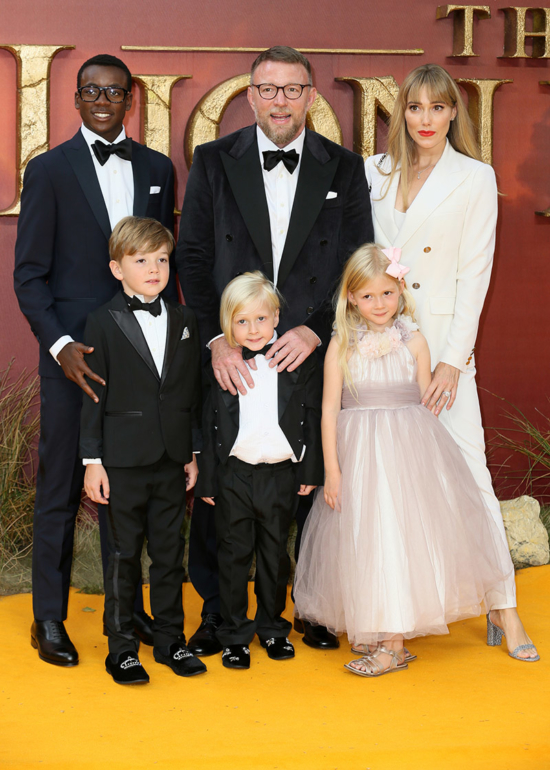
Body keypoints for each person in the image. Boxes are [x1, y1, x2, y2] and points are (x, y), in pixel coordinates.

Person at [177, 45, 373, 654]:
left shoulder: (344, 166)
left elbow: (353, 258)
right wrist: (216, 340)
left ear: (312, 96)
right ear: (250, 95)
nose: (280, 100)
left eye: (293, 89)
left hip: (306, 352)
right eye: (269, 88)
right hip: (233, 352)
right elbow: (194, 257)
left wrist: (316, 330)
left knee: (309, 483)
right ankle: (216, 610)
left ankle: (310, 605)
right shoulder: (213, 161)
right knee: (220, 489)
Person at [364, 63, 539, 662]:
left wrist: (453, 363)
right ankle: (396, 612)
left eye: (439, 108)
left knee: (470, 473)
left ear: (454, 114)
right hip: (381, 343)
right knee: (391, 480)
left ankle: (504, 607)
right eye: (415, 108)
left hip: (442, 347)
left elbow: (475, 275)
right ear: (400, 113)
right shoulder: (375, 173)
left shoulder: (475, 177)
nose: (426, 120)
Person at [13, 54, 176, 667]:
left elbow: (162, 267)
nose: (103, 98)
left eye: (114, 90)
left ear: (130, 98)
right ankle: (48, 618)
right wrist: (60, 347)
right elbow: (29, 276)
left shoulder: (158, 169)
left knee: (127, 488)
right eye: (91, 90)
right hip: (72, 359)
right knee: (59, 486)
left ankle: (123, 613)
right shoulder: (50, 170)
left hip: (141, 358)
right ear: (76, 99)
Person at [294, 244, 517, 677]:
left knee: (399, 539)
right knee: (367, 541)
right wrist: (332, 472)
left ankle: (393, 646)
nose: (379, 304)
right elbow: (328, 411)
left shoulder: (414, 340)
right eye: (368, 295)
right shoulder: (341, 344)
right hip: (358, 455)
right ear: (352, 298)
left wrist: (430, 471)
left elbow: (424, 405)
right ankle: (382, 631)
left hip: (405, 453)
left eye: (387, 294)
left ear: (401, 291)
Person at [80, 216, 205, 684]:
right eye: (140, 260)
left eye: (161, 259)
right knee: (123, 556)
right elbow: (93, 396)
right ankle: (122, 649)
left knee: (171, 555)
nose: (153, 269)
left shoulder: (186, 319)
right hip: (122, 461)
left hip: (172, 459)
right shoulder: (99, 321)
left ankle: (171, 642)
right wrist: (93, 462)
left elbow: (190, 392)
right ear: (117, 269)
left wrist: (192, 451)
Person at [195, 271, 323, 669]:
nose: (253, 329)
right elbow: (208, 423)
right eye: (242, 321)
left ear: (276, 317)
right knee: (233, 557)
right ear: (227, 323)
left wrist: (307, 471)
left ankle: (272, 628)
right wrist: (209, 479)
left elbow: (310, 416)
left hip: (281, 475)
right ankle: (234, 635)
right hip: (234, 476)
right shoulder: (220, 367)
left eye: (261, 319)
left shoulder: (294, 363)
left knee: (275, 557)